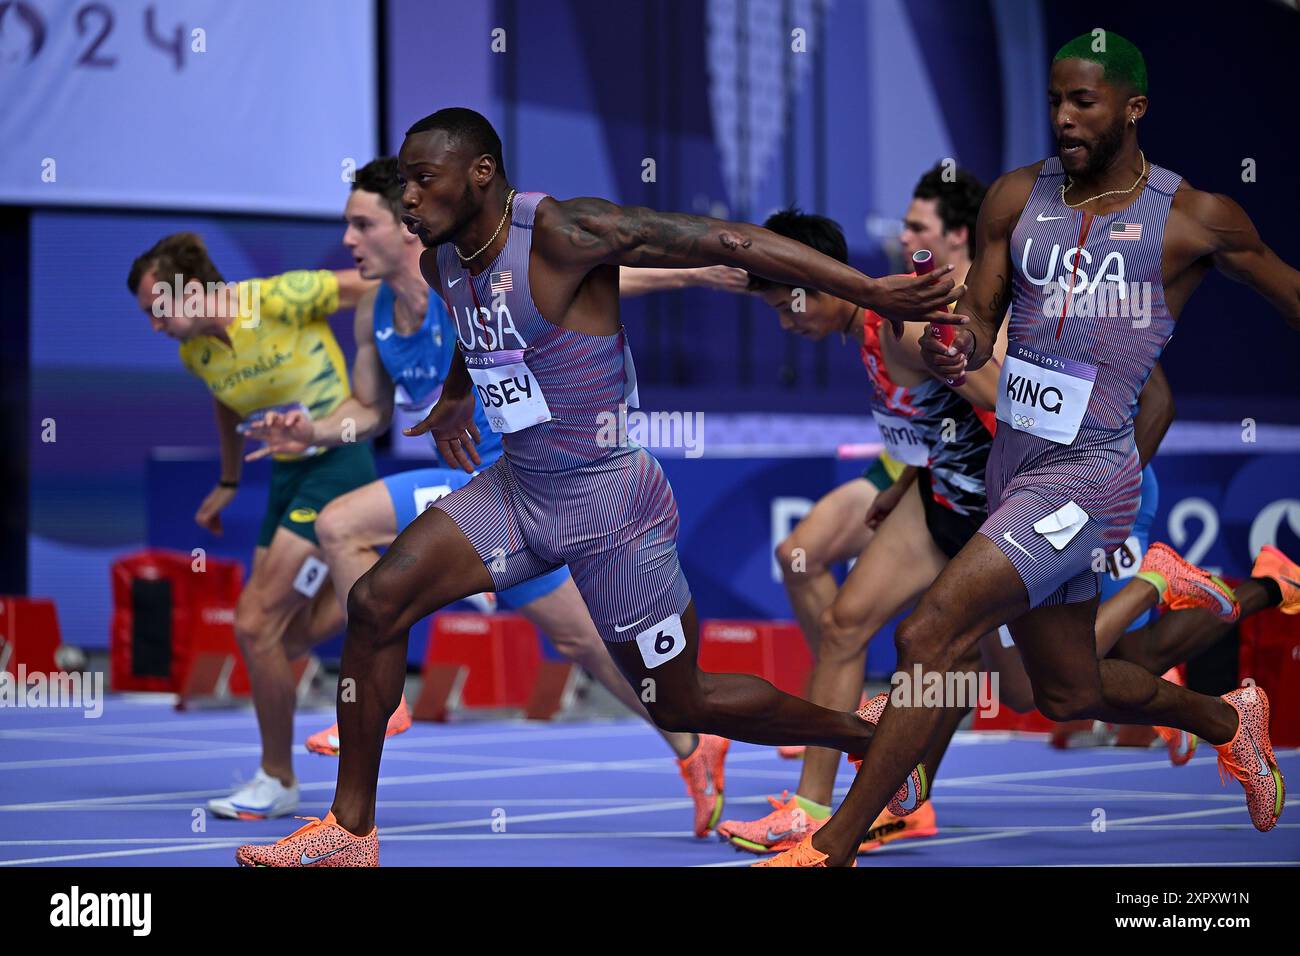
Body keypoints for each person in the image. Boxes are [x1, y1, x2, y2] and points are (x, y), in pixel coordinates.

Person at [236, 105, 963, 866]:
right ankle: (351, 830)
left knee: (682, 699)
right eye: (405, 184)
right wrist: (455, 392)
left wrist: (871, 291)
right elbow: (474, 318)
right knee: (376, 601)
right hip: (517, 490)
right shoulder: (441, 261)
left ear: (481, 172)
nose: (408, 199)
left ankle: (866, 737)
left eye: (423, 180)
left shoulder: (561, 232)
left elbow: (729, 239)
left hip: (612, 505)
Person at [764, 31, 1297, 867]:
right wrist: (959, 346)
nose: (1063, 118)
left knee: (928, 633)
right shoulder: (1016, 198)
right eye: (1054, 100)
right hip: (1012, 466)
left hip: (1089, 476)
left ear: (1134, 108)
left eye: (1083, 101)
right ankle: (1231, 720)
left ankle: (832, 843)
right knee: (1064, 689)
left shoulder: (1196, 219)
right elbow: (980, 315)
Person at [244, 157, 746, 836]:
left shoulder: (470, 280)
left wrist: (694, 272)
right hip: (477, 500)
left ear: (404, 226)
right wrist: (310, 430)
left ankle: (689, 738)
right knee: (577, 640)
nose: (350, 241)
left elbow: (597, 277)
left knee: (584, 642)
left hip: (524, 480)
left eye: (363, 225)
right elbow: (368, 413)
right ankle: (688, 745)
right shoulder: (373, 312)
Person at [126, 235, 376, 819]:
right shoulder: (197, 353)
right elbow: (226, 399)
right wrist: (230, 481)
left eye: (155, 309)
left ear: (189, 289)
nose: (154, 326)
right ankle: (375, 594)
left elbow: (375, 285)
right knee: (277, 637)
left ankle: (277, 777)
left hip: (336, 463)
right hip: (284, 475)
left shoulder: (279, 298)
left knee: (253, 622)